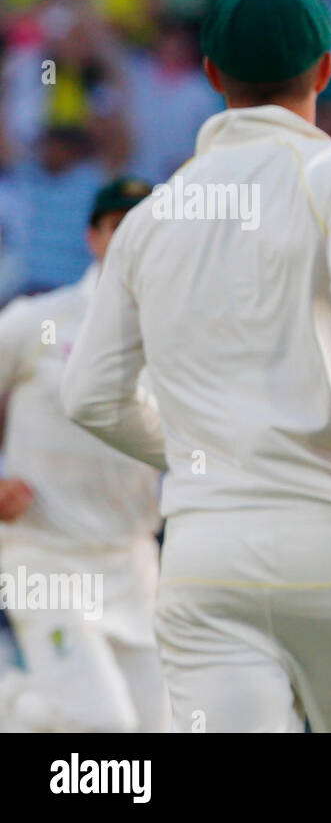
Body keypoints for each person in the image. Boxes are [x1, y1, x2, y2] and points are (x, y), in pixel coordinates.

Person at [60, 0, 331, 732]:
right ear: (322, 70)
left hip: (203, 562)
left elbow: (89, 396)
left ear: (212, 76)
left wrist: (199, 456)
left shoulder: (147, 220)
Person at [0, 178, 167, 732]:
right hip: (42, 551)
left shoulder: (182, 336)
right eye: (119, 226)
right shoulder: (34, 321)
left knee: (157, 731)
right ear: (93, 236)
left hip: (131, 557)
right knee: (103, 728)